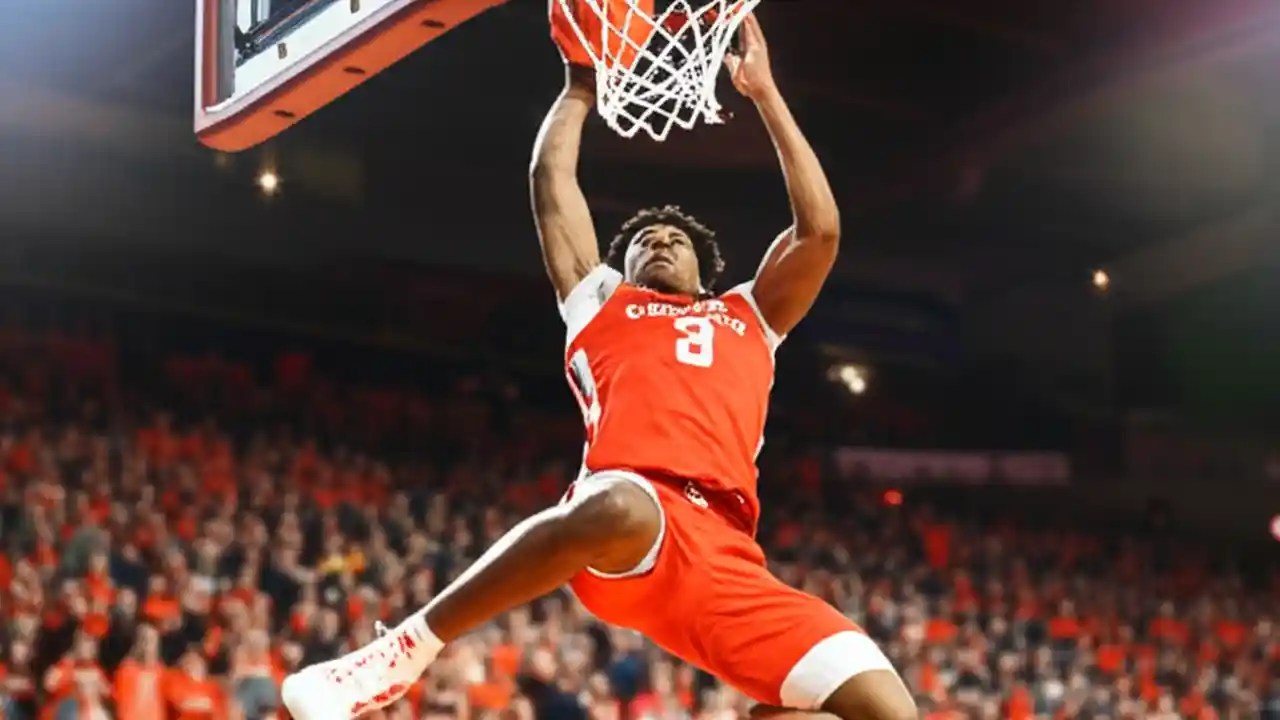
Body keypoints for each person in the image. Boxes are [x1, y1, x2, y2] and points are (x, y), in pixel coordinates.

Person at [282, 15, 916, 720]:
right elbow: (550, 180)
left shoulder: (750, 315)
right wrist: (580, 87)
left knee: (888, 713)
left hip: (728, 554)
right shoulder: (600, 302)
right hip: (631, 515)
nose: (661, 241)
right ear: (625, 263)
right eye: (645, 239)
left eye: (675, 238)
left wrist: (764, 93)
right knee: (616, 506)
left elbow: (820, 232)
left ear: (705, 268)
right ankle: (399, 654)